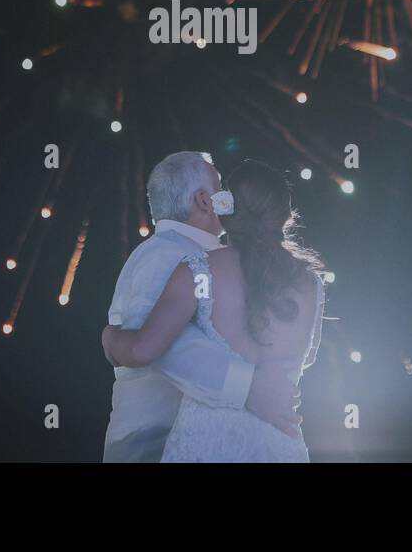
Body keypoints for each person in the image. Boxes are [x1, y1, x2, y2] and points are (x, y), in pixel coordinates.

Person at [103, 158, 325, 462]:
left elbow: (147, 347)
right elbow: (307, 356)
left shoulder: (198, 266)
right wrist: (253, 384)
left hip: (206, 441)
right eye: (218, 188)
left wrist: (110, 338)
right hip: (275, 441)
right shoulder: (310, 282)